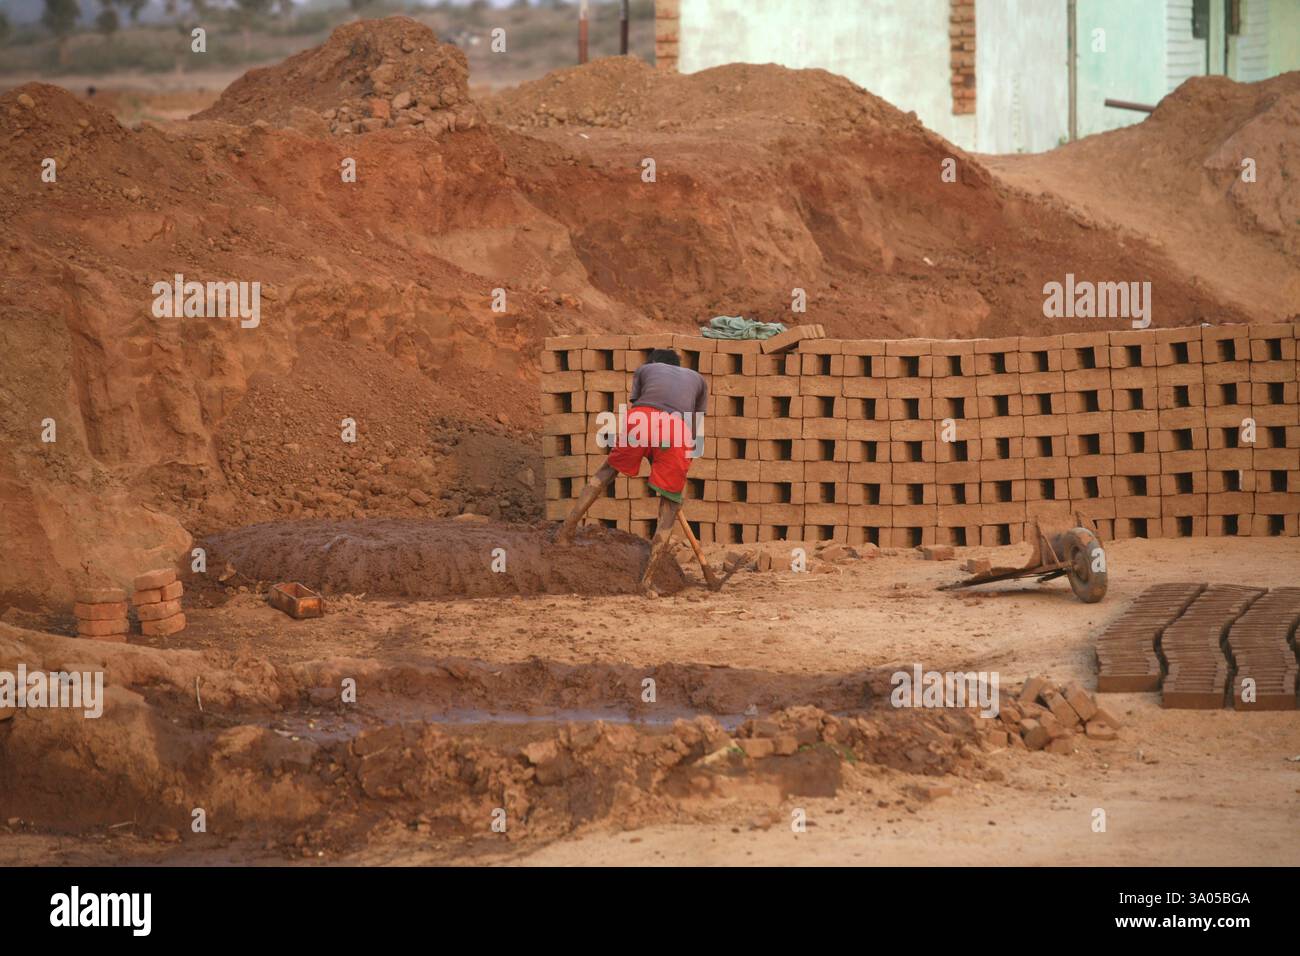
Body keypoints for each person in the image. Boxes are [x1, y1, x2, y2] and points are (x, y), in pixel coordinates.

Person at [556, 348, 708, 592]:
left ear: (654, 364)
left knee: (606, 472)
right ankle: (647, 581)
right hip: (678, 430)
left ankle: (564, 533)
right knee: (669, 507)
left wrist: (646, 447)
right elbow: (694, 425)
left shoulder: (645, 369)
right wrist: (675, 479)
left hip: (641, 420)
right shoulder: (699, 379)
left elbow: (641, 408)